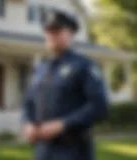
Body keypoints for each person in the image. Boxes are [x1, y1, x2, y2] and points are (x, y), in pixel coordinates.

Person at [23, 9, 109, 160]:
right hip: (43, 151)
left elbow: (99, 106)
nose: (51, 35)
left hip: (73, 150)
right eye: (48, 31)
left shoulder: (84, 66)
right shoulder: (42, 69)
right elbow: (29, 102)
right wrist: (28, 123)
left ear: (70, 34)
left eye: (56, 30)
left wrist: (63, 124)